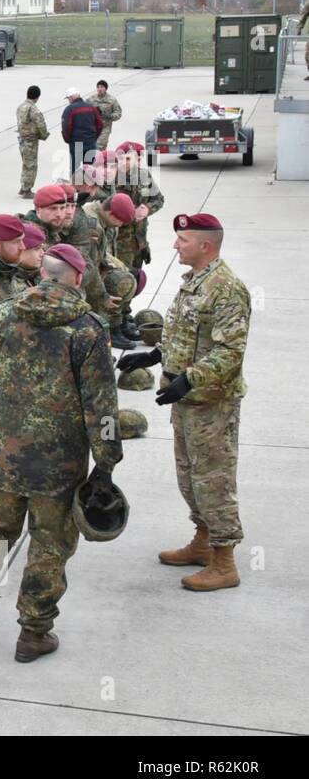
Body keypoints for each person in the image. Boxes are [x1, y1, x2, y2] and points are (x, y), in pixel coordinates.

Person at [0, 243, 122, 662]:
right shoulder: (87, 329)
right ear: (77, 277)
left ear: (44, 273)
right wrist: (107, 461)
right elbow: (103, 407)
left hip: (5, 456)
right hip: (58, 468)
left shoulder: (4, 314)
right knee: (49, 545)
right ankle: (33, 633)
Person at [117, 213, 249, 591]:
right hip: (187, 399)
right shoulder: (195, 283)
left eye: (183, 240)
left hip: (210, 403)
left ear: (205, 246)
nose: (176, 245)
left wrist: (190, 378)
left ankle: (225, 562)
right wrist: (155, 356)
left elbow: (229, 351)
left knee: (214, 479)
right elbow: (190, 335)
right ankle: (203, 542)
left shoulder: (225, 289)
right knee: (191, 477)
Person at [61, 87, 102, 179]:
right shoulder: (91, 107)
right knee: (90, 168)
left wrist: (68, 140)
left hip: (77, 143)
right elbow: (99, 124)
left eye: (68, 98)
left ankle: (77, 189)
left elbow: (66, 127)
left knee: (76, 168)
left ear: (71, 97)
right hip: (91, 142)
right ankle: (89, 188)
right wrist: (94, 137)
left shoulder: (69, 109)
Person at [15, 85, 49, 198]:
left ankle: (23, 186)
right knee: (31, 165)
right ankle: (27, 189)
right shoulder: (33, 109)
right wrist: (44, 135)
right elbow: (40, 124)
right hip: (30, 140)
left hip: (22, 138)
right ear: (37, 97)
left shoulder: (21, 107)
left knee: (25, 163)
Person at [88, 80, 122, 150]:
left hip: (105, 128)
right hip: (93, 128)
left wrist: (108, 115)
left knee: (99, 146)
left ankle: (99, 159)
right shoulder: (91, 99)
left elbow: (118, 113)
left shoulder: (112, 100)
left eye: (102, 87)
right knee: (91, 147)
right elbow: (83, 110)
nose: (99, 89)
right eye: (98, 87)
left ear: (106, 88)